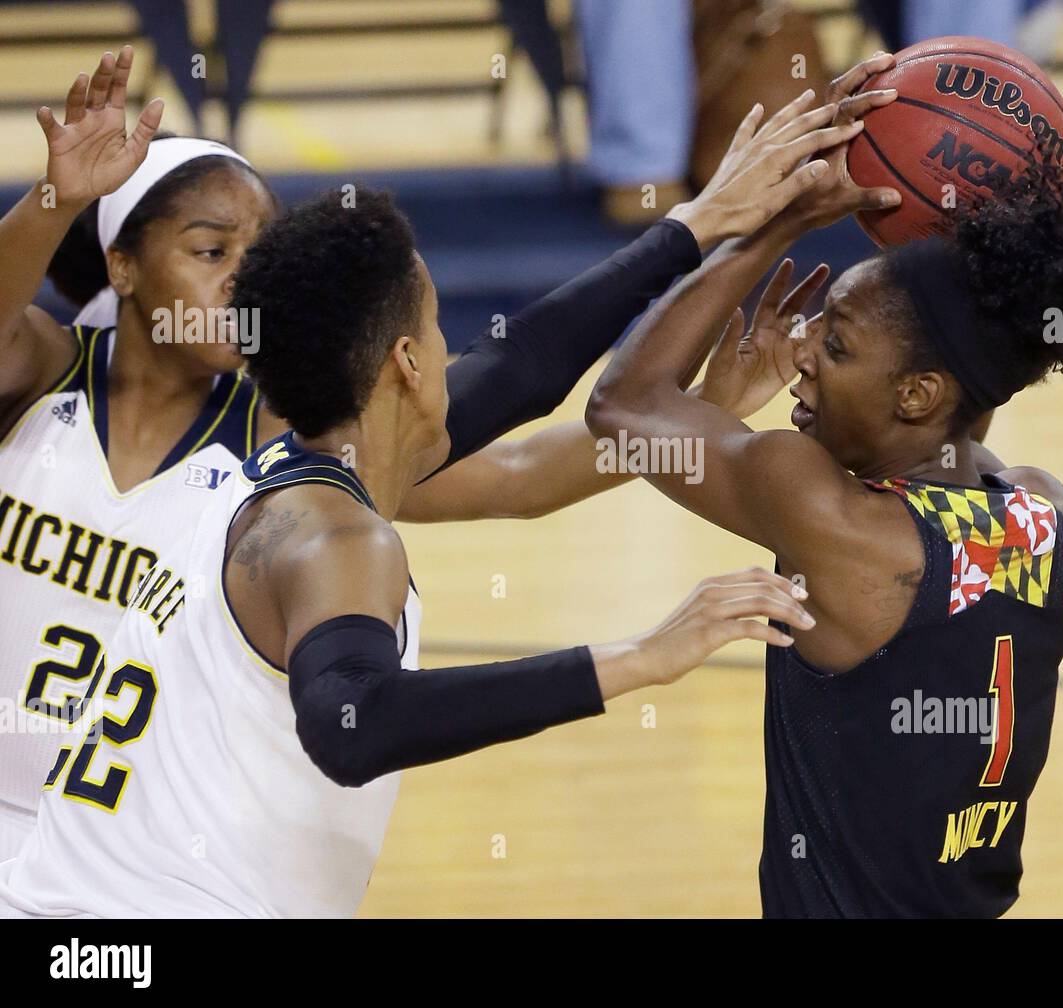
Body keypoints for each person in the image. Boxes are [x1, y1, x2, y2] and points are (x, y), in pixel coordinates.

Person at [0, 86, 864, 917]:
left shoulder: (277, 459)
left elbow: (525, 369)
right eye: (440, 331)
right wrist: (641, 655)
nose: (458, 355)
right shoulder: (327, 531)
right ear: (410, 364)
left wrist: (717, 226)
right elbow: (353, 726)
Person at [586, 54, 1063, 917]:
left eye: (834, 346)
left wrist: (770, 224)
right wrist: (1047, 234)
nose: (800, 351)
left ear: (918, 395)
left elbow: (623, 404)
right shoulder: (1056, 520)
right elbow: (981, 368)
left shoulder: (829, 518)